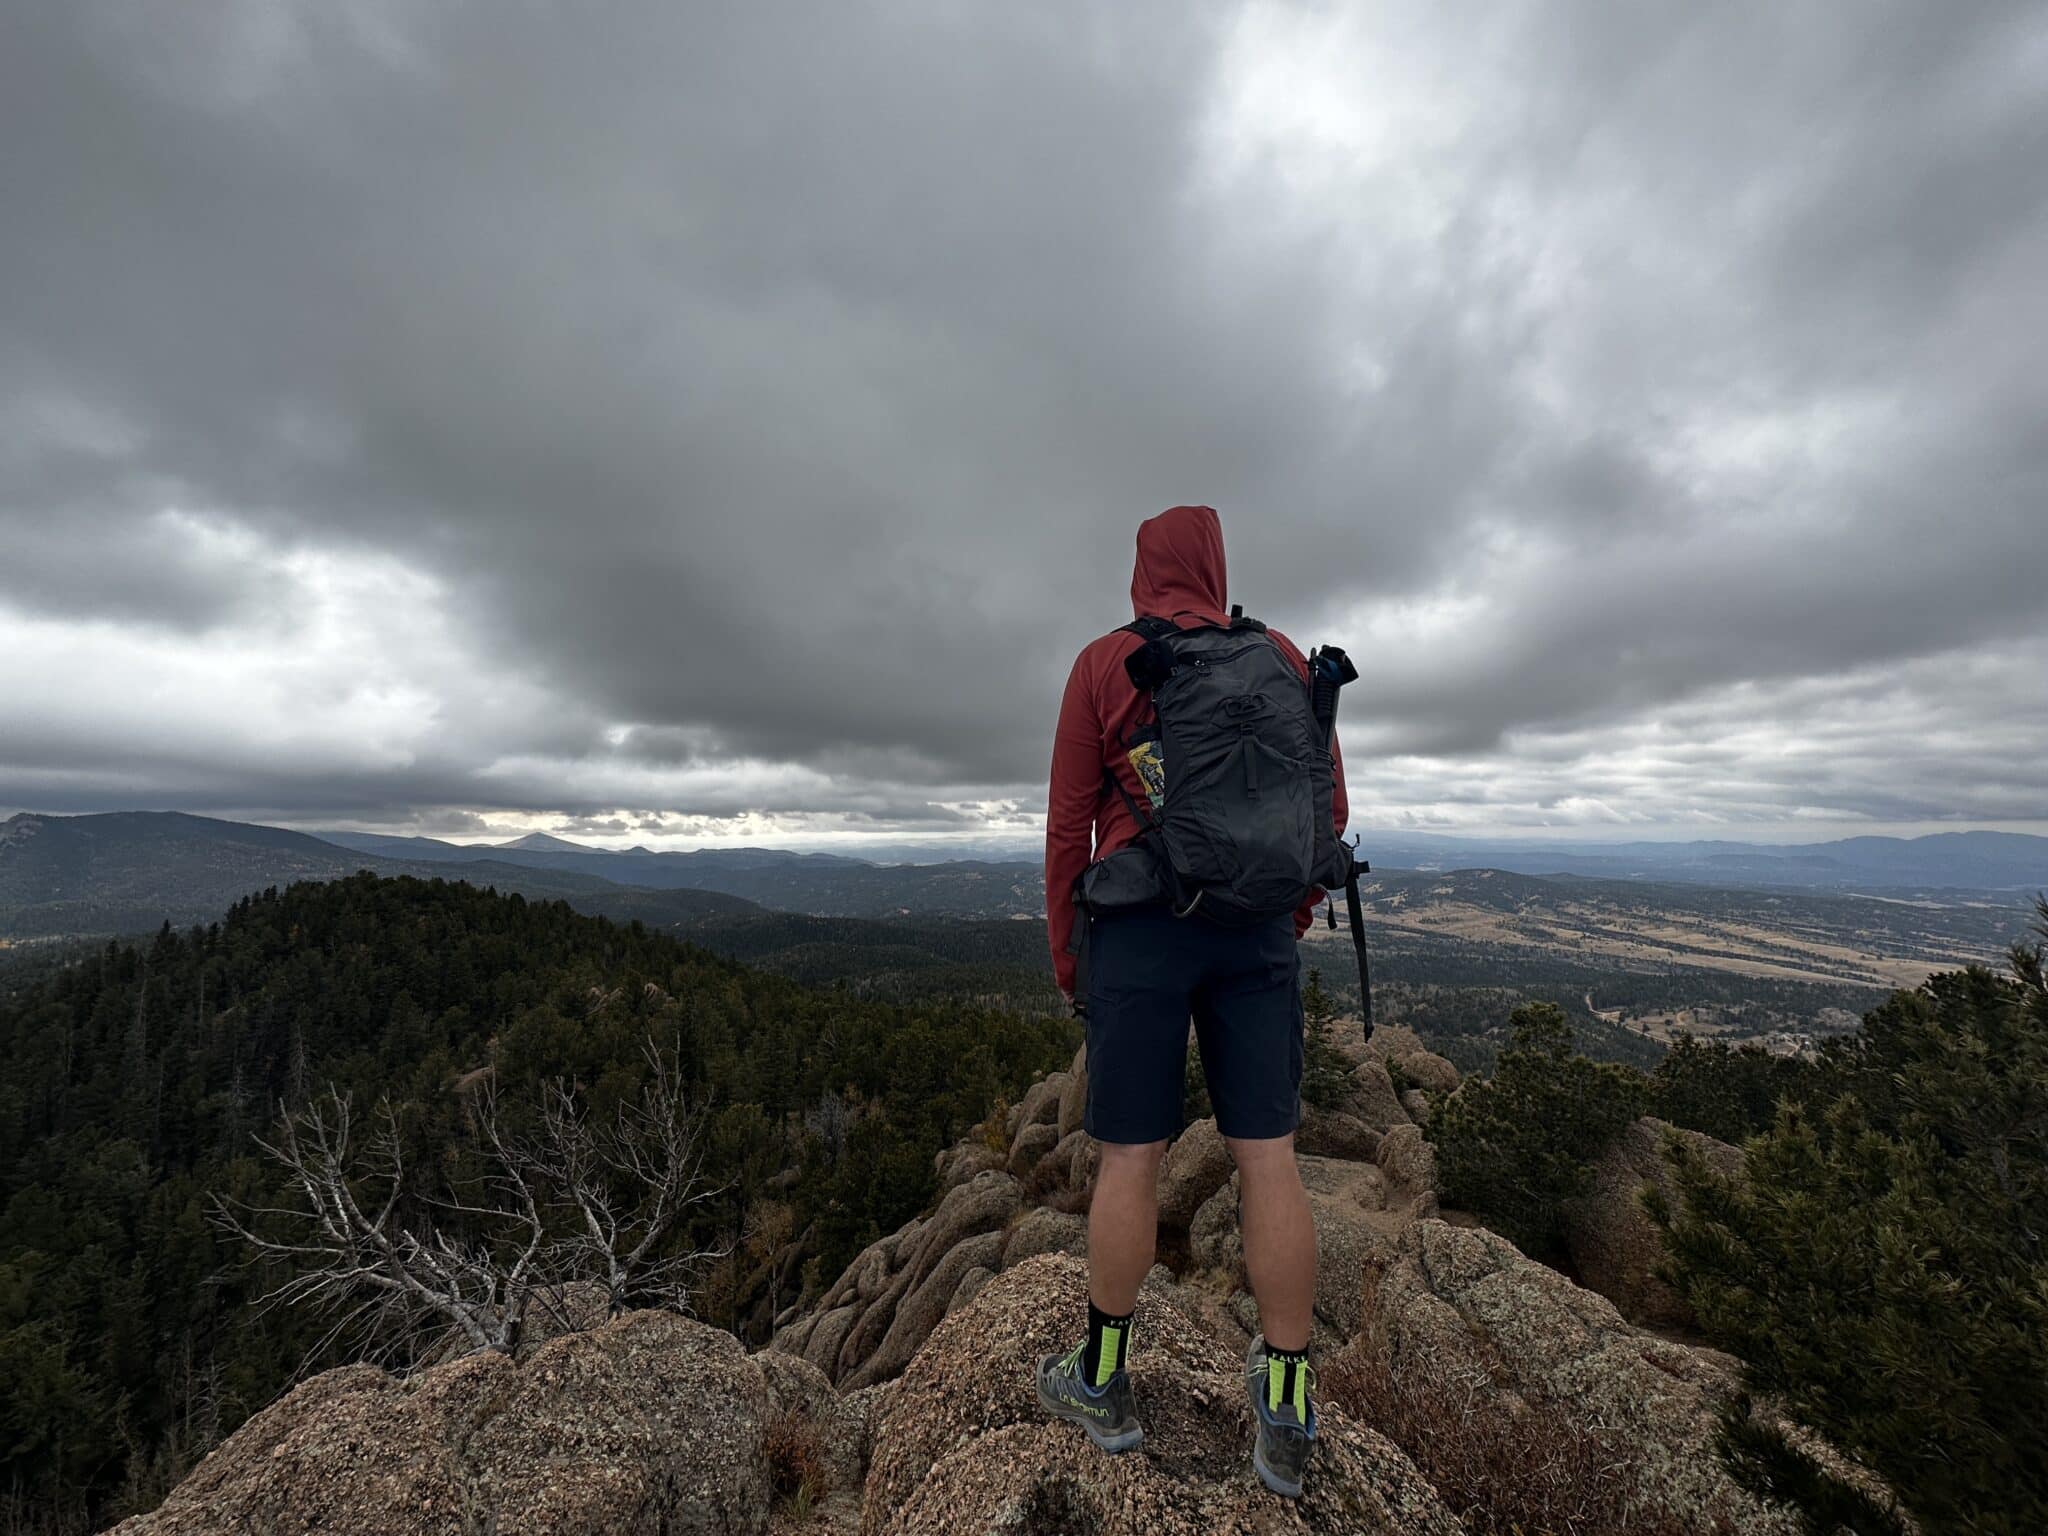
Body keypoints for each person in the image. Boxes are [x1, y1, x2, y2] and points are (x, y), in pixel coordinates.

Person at [1035, 504, 1348, 1498]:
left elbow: (1068, 826)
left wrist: (1068, 956)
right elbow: (1322, 805)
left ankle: (1100, 1380)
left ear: (1142, 571)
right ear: (1215, 569)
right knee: (1268, 1161)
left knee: (1130, 1156)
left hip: (1140, 931)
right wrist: (1283, 919)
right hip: (1253, 930)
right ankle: (1287, 1403)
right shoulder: (1282, 656)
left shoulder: (1104, 664)